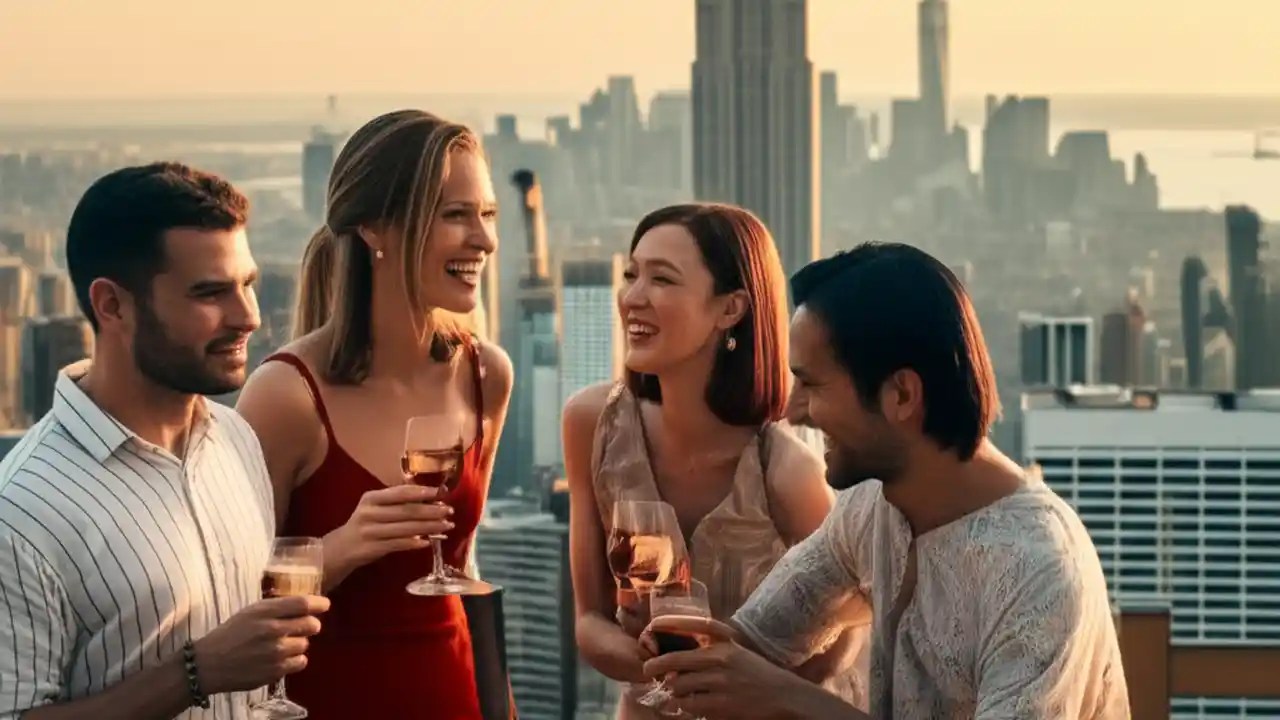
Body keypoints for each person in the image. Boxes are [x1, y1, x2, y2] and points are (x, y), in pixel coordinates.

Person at [641, 242, 1130, 720]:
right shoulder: (870, 507)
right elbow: (756, 641)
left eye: (811, 384)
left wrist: (787, 699)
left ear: (901, 394)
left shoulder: (1039, 572)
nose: (792, 411)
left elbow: (765, 684)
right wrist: (683, 645)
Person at [0, 162, 328, 720]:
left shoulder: (236, 440)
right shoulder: (22, 512)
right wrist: (196, 673)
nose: (247, 316)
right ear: (112, 305)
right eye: (210, 293)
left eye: (247, 284)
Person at [235, 110, 513, 719]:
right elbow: (235, 608)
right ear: (375, 228)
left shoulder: (486, 374)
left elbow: (463, 568)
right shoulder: (285, 396)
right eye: (455, 215)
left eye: (487, 214)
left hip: (455, 694)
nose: (485, 240)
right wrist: (344, 546)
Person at [563, 203, 870, 719]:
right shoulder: (593, 424)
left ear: (731, 309)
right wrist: (663, 665)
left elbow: (848, 633)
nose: (632, 298)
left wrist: (740, 681)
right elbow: (589, 620)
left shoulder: (785, 471)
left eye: (661, 279)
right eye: (631, 275)